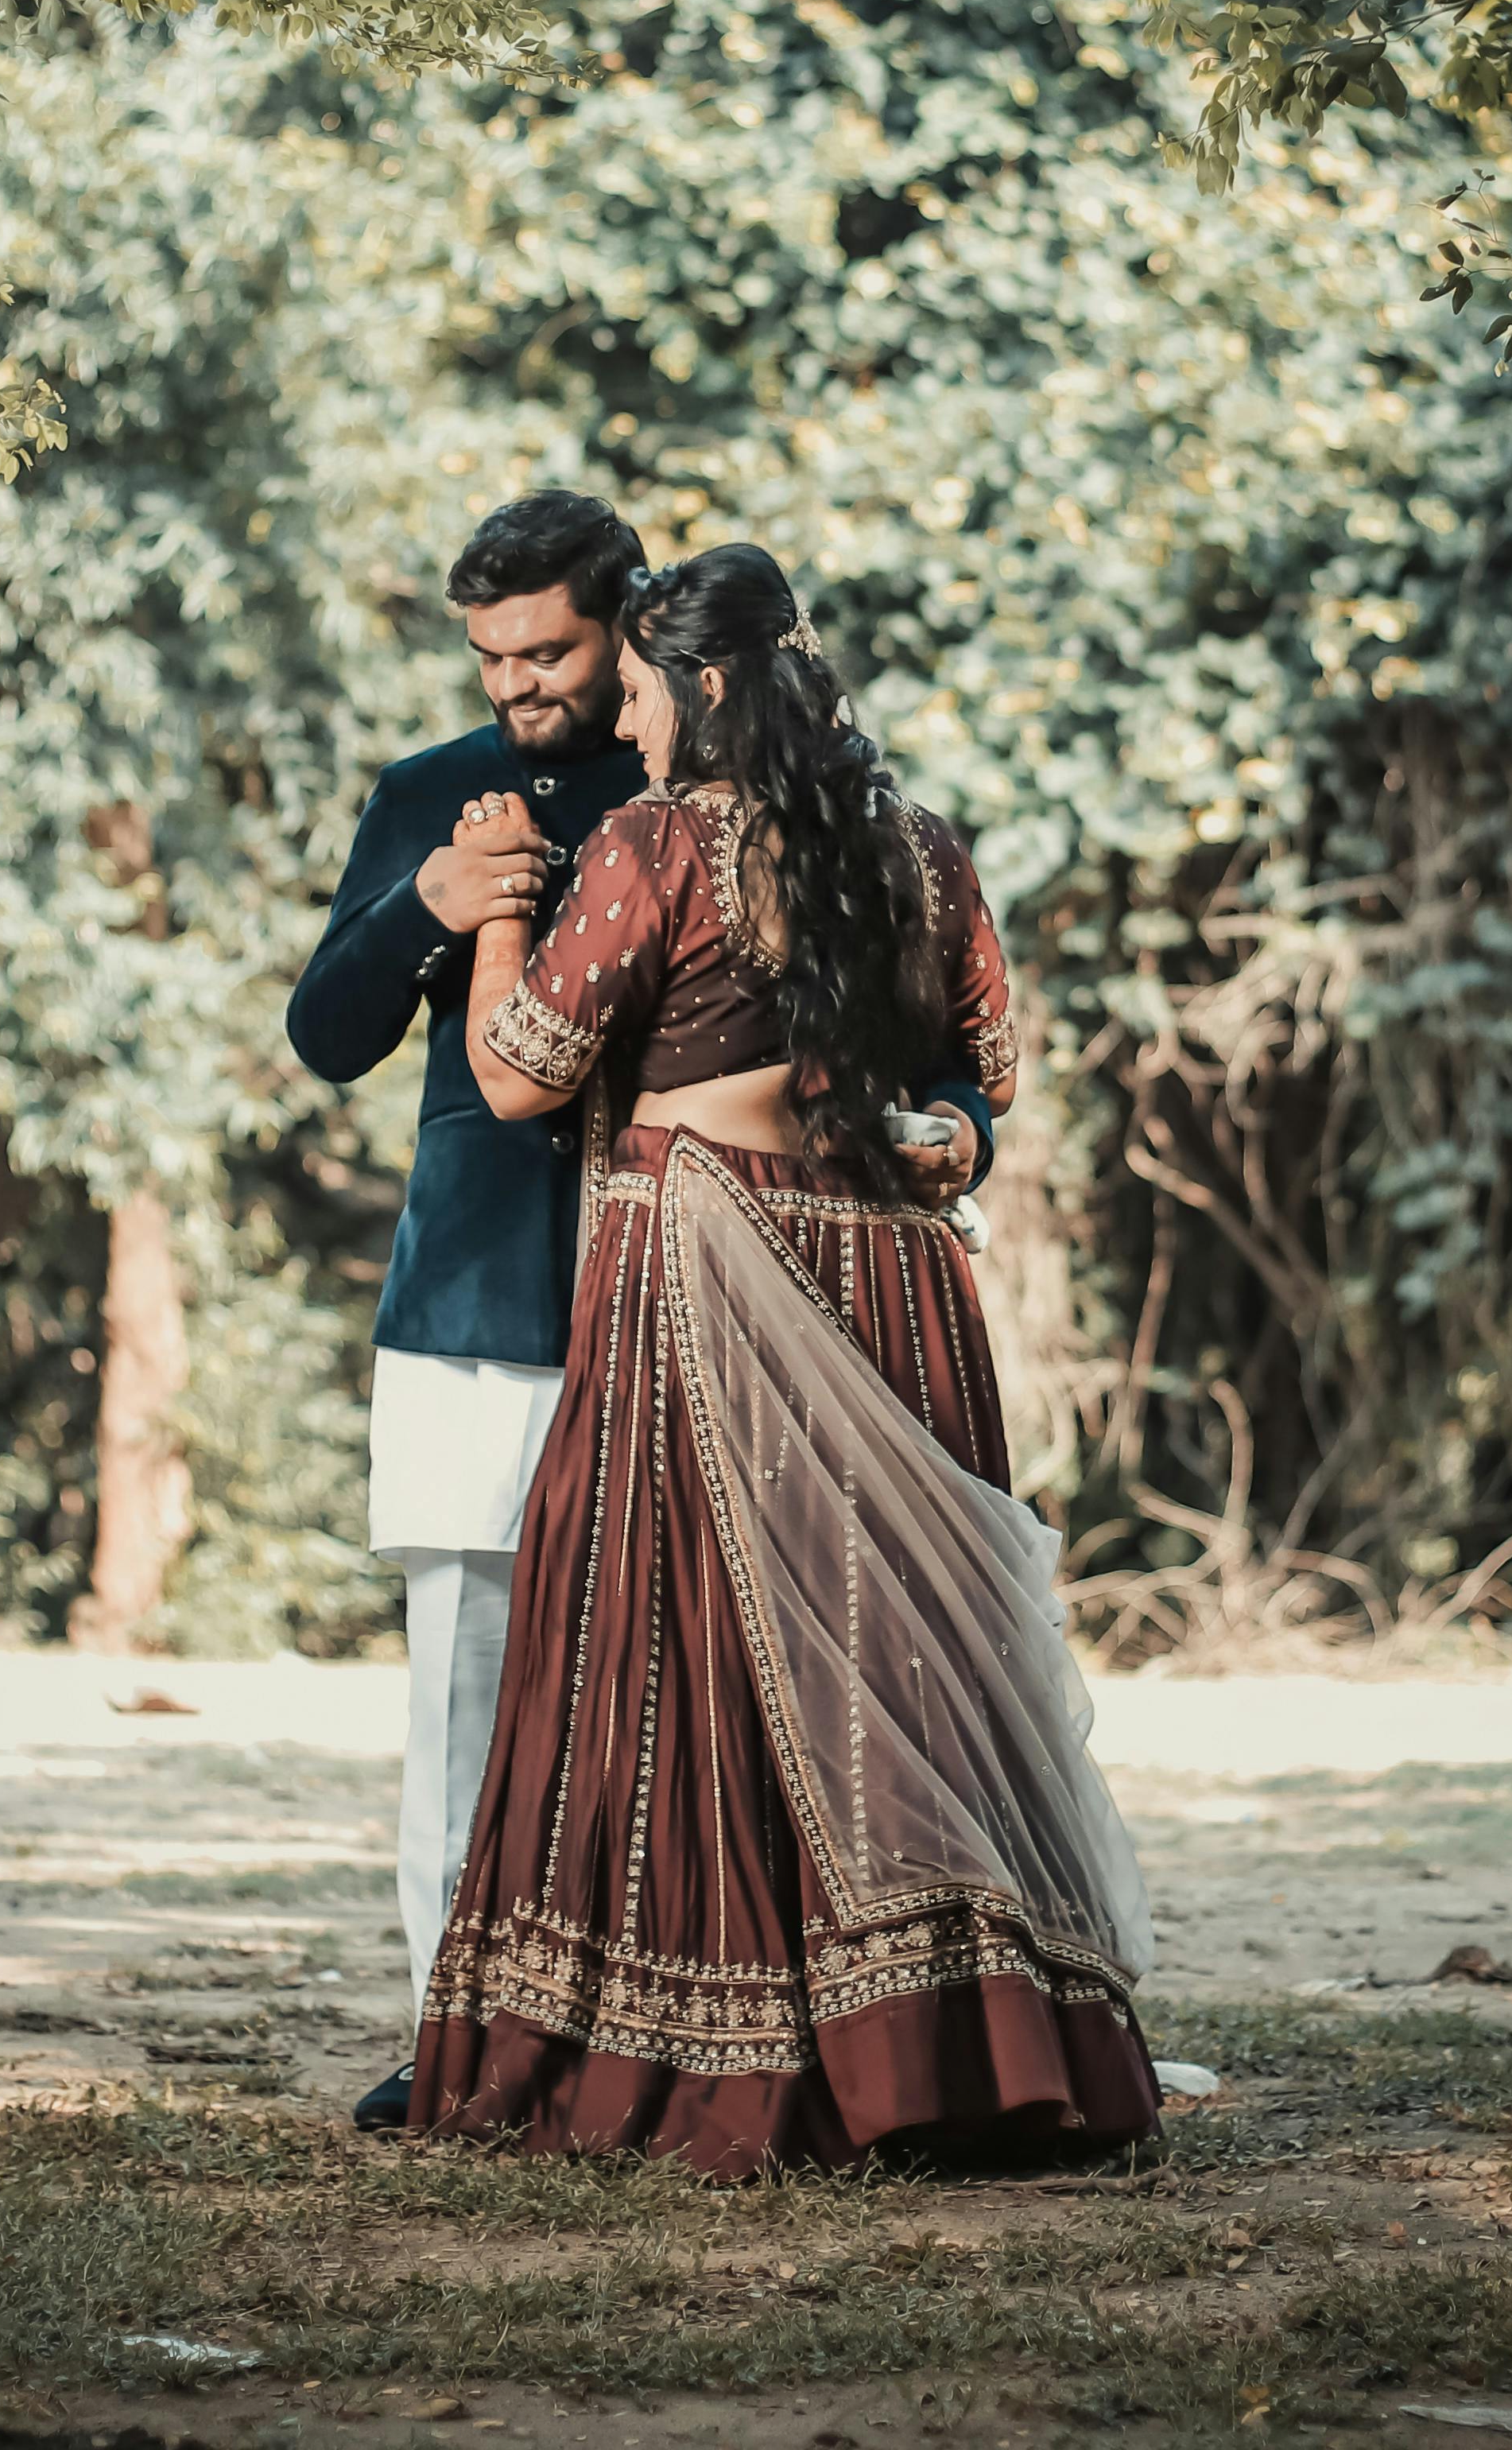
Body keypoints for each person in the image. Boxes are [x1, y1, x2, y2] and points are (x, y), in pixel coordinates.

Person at [409, 543, 1159, 2176]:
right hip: (889, 1279)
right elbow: (988, 1073)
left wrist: (496, 917)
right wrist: (946, 1141)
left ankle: (718, 2059)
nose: (628, 722)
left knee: (683, 1668)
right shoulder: (921, 850)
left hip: (707, 1265)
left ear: (707, 680)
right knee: (899, 1676)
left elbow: (525, 1073)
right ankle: (965, 2053)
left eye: (636, 692)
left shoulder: (648, 844)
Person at [286, 496, 995, 2130]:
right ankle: (449, 2033)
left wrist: (962, 1114)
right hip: (485, 1298)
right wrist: (431, 906)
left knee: (713, 1685)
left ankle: (697, 2034)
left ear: (626, 626)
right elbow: (326, 1034)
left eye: (545, 651)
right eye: (487, 656)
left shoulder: (719, 794)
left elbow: (902, 1017)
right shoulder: (427, 796)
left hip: (720, 1303)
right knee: (464, 1685)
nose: (516, 684)